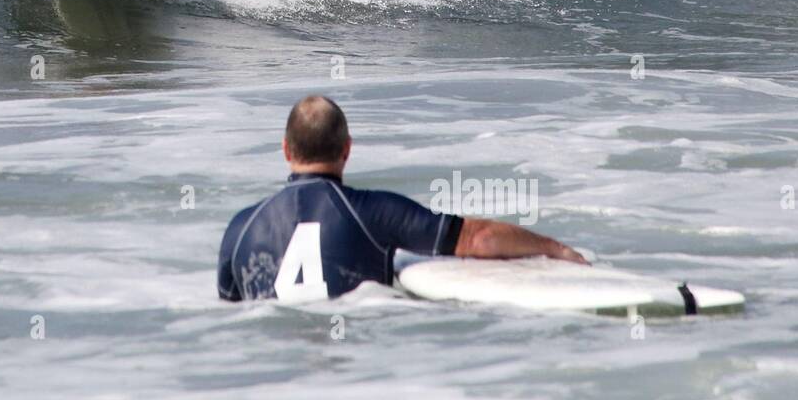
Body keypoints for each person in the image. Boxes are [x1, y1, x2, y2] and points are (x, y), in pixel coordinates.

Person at [218, 95, 586, 301]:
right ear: (347, 149)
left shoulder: (240, 228)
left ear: (285, 149)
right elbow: (478, 238)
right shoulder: (374, 213)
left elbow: (230, 313)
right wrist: (556, 249)